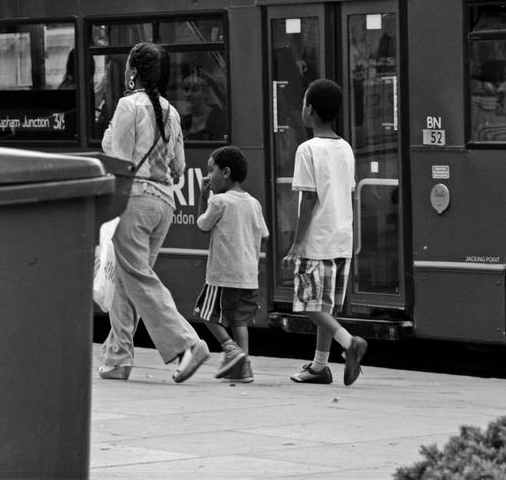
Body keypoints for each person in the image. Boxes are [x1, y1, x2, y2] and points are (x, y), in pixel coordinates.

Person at [98, 41, 210, 383]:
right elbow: (178, 167)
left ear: (133, 71)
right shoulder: (171, 112)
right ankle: (118, 358)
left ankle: (188, 344)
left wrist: (107, 137)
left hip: (133, 199)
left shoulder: (128, 105)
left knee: (138, 278)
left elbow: (118, 159)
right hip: (163, 203)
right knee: (128, 278)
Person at [281, 78, 368, 387]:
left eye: (304, 102)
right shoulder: (346, 148)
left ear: (310, 111)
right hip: (342, 238)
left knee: (308, 304)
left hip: (316, 241)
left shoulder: (307, 150)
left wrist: (296, 243)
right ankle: (319, 367)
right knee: (325, 306)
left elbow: (308, 199)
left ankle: (349, 342)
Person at [195, 146, 269, 383]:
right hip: (248, 276)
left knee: (205, 314)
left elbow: (202, 225)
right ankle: (244, 367)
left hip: (222, 275)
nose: (208, 177)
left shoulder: (219, 201)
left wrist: (203, 196)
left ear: (225, 172)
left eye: (211, 170)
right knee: (239, 320)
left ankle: (231, 349)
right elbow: (264, 235)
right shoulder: (254, 203)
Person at [181, 72, 226, 141]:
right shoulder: (186, 120)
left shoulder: (217, 117)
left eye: (194, 90)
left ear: (205, 93)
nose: (188, 94)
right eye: (186, 90)